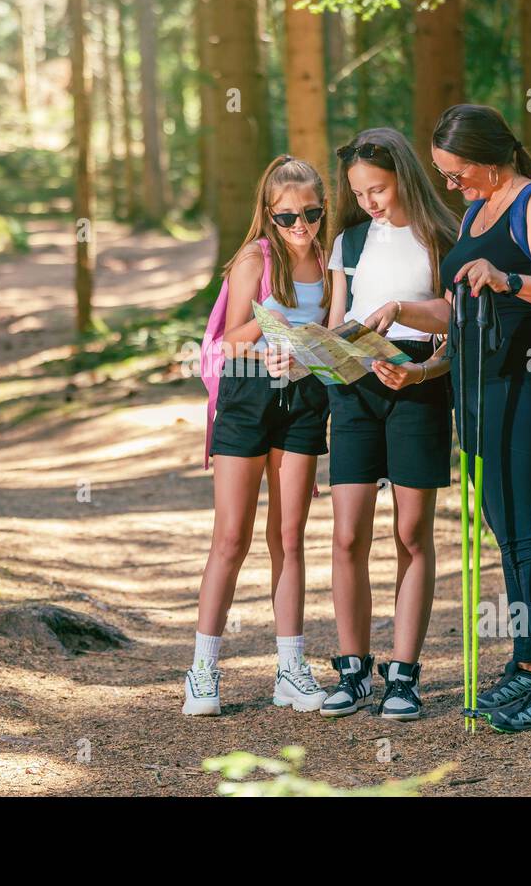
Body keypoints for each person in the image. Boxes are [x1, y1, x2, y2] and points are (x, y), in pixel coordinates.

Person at [369, 103, 531, 731]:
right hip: (477, 389)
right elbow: (454, 312)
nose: (449, 184)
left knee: (527, 534)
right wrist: (401, 315)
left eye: (456, 171)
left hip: (527, 385)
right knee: (503, 528)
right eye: (443, 174)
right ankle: (526, 666)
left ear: (492, 160)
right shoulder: (475, 211)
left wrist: (509, 279)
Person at [185, 155, 334, 716]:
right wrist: (274, 332)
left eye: (311, 213)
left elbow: (336, 329)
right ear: (269, 215)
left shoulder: (329, 258)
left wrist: (311, 345)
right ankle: (202, 671)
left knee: (289, 537)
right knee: (231, 538)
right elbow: (227, 341)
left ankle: (291, 670)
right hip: (248, 395)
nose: (301, 226)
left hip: (303, 399)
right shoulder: (256, 257)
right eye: (288, 217)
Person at [319, 128, 458, 720]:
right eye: (359, 191)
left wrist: (421, 370)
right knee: (348, 533)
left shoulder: (441, 236)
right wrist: (314, 349)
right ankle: (353, 669)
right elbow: (335, 320)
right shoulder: (349, 241)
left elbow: (457, 324)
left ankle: (403, 674)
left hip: (417, 386)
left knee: (410, 534)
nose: (371, 201)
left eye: (378, 188)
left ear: (403, 174)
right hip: (353, 389)